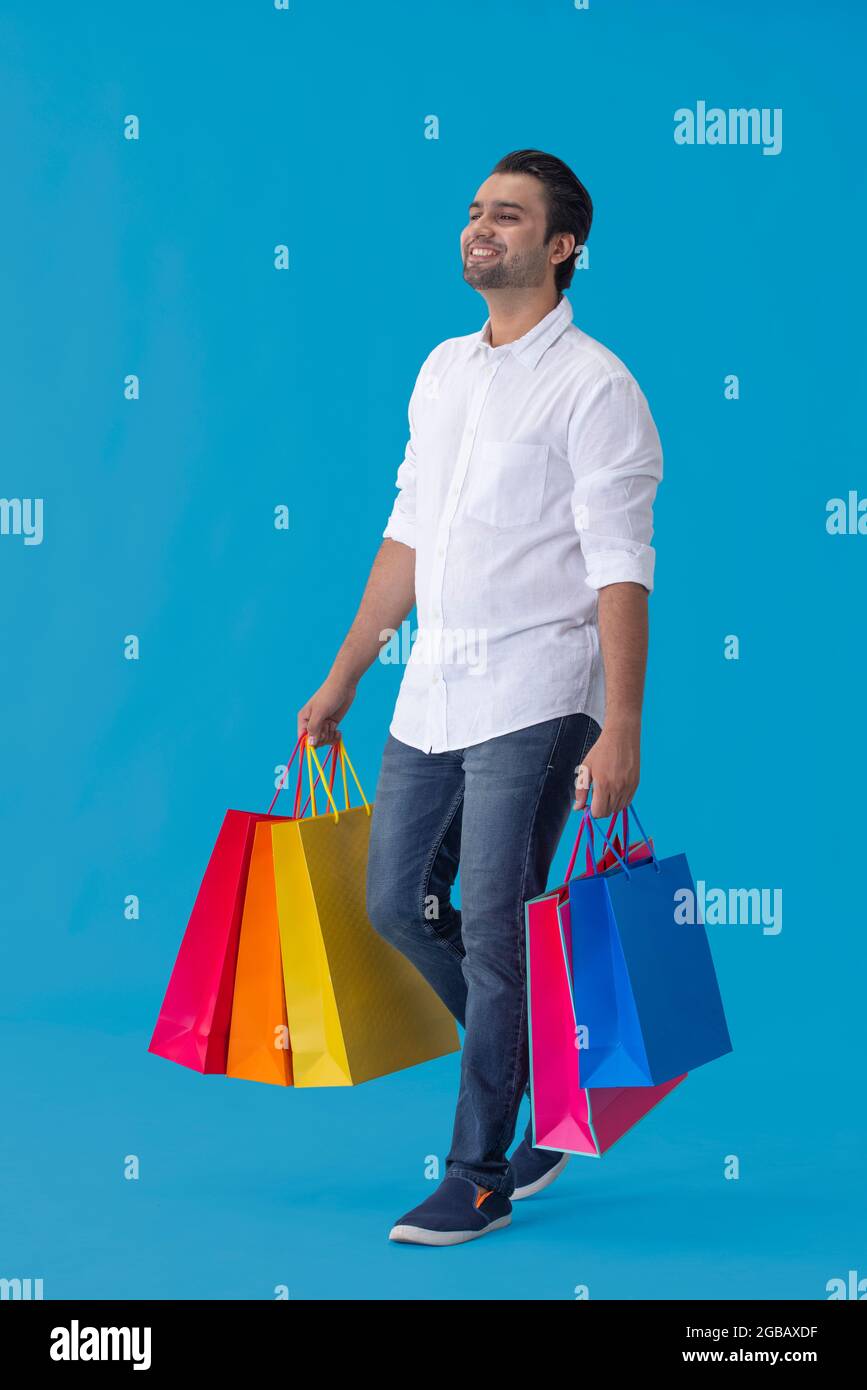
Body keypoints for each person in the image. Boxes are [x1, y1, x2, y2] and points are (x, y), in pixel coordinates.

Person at [298, 149, 663, 1247]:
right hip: (433, 686)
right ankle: (551, 1082)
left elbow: (622, 564)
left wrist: (626, 726)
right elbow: (408, 534)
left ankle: (482, 1173)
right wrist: (346, 672)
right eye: (474, 212)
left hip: (541, 691)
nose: (480, 228)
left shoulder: (598, 386)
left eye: (507, 216)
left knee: (496, 928)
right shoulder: (444, 371)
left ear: (562, 248)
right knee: (395, 903)